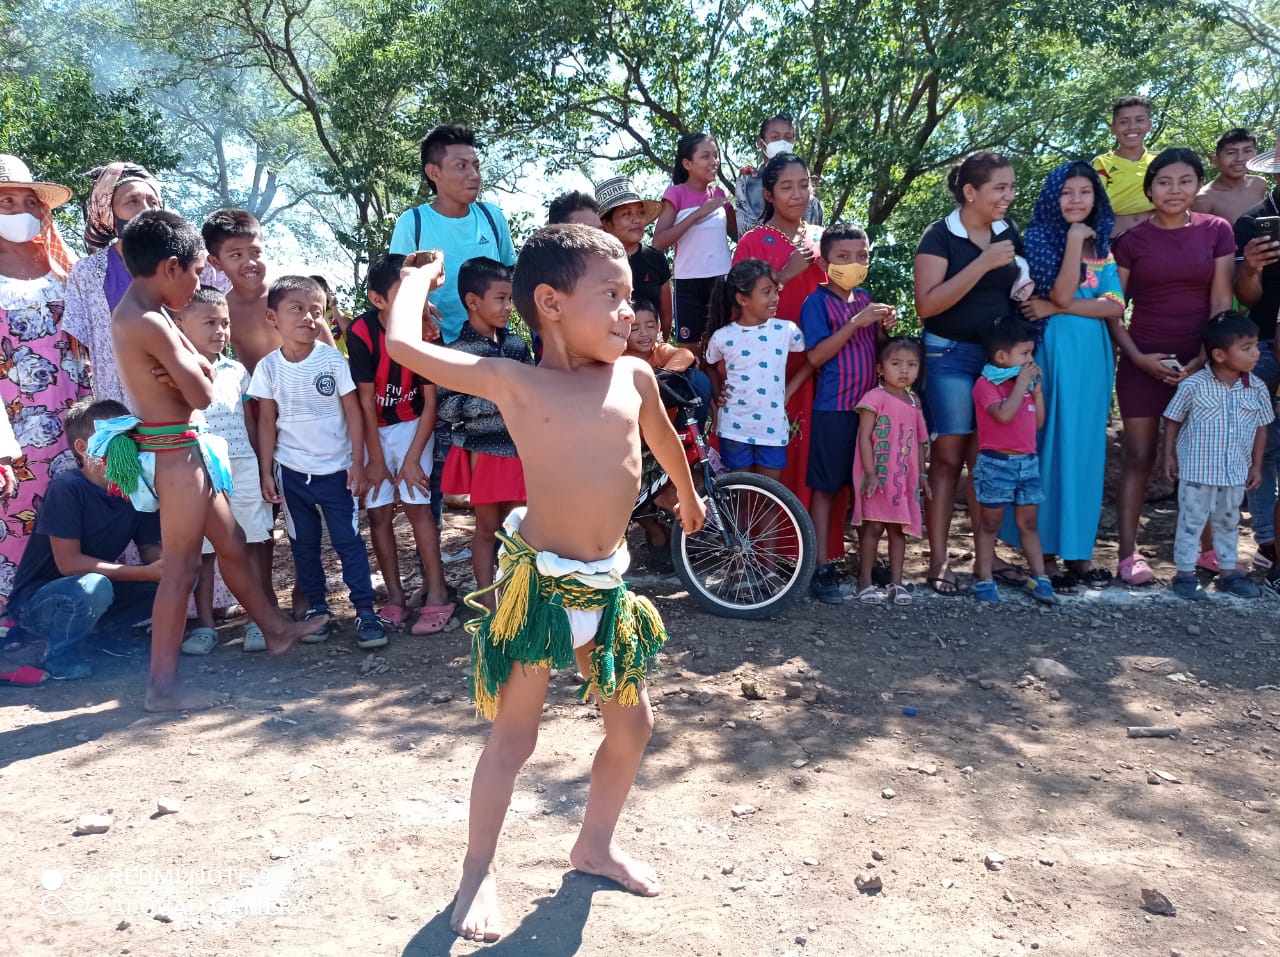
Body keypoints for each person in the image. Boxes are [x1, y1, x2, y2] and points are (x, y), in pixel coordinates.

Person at [383, 226, 706, 943]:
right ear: (552, 303)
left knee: (633, 724)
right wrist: (415, 279)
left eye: (632, 296)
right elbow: (406, 350)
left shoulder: (635, 375)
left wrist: (687, 497)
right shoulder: (515, 380)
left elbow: (661, 438)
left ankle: (593, 843)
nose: (630, 311)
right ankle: (476, 870)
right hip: (542, 590)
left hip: (605, 588)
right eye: (613, 296)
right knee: (515, 737)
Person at [106, 210, 327, 711]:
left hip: (187, 446)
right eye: (195, 271)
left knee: (230, 542)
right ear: (170, 267)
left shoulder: (147, 310)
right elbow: (204, 393)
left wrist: (191, 370)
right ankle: (162, 688)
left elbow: (197, 377)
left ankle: (274, 630)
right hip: (176, 451)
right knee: (181, 569)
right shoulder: (148, 320)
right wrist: (194, 371)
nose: (200, 281)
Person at [1110, 148, 1236, 584]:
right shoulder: (1131, 242)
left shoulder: (1217, 231)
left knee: (1201, 459)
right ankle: (1129, 555)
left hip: (1203, 361)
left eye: (1185, 181)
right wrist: (1137, 357)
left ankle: (1207, 551)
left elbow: (1221, 299)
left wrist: (1208, 357)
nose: (1174, 190)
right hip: (1142, 359)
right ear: (1149, 189)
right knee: (1139, 457)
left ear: (1197, 186)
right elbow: (1113, 309)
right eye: (1164, 182)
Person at [249, 275, 386, 650]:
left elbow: (354, 412)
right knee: (302, 544)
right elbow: (265, 420)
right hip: (291, 473)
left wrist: (359, 462)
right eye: (297, 309)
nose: (309, 318)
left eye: (316, 310)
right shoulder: (269, 368)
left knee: (349, 542)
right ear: (272, 317)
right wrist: (266, 471)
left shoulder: (332, 360)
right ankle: (317, 611)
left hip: (338, 471)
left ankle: (365, 611)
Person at [913, 151, 1027, 596]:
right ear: (970, 191)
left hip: (997, 362)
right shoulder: (939, 236)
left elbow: (1011, 287)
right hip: (948, 356)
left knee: (987, 460)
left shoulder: (1006, 231)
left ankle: (986, 557)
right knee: (947, 458)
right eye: (1001, 187)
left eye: (1012, 187)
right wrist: (982, 263)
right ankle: (939, 562)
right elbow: (927, 305)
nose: (1009, 196)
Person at [1013, 161, 1124, 590]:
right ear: (1052, 197)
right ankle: (1042, 554)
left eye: (1085, 192)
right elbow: (1059, 291)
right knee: (1049, 446)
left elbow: (1114, 305)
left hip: (1092, 359)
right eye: (1067, 192)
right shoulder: (1039, 238)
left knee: (1084, 450)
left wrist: (1059, 305)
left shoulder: (1105, 248)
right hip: (1052, 351)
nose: (1076, 200)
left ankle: (1079, 550)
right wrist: (1075, 241)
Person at [732, 153, 848, 561]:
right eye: (787, 186)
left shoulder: (824, 238)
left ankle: (817, 557)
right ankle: (761, 557)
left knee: (816, 457)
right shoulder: (752, 241)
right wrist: (785, 274)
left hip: (824, 363)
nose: (798, 194)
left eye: (804, 185)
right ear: (768, 193)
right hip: (771, 369)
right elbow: (737, 304)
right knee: (770, 462)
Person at [6, 398, 161, 679]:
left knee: (178, 576)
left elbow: (150, 548)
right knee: (94, 586)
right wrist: (145, 572)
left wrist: (165, 567)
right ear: (83, 447)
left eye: (130, 437)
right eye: (117, 438)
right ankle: (59, 656)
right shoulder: (68, 488)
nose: (128, 445)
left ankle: (102, 637)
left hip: (93, 588)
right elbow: (69, 564)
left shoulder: (135, 487)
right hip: (38, 600)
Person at [347, 254, 454, 635]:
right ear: (379, 300)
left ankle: (437, 592)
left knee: (417, 505)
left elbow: (430, 402)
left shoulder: (427, 332)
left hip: (413, 425)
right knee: (377, 512)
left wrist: (411, 459)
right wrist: (374, 459)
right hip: (375, 428)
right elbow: (364, 401)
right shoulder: (360, 332)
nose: (417, 299)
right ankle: (394, 595)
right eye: (406, 291)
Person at [0, 154, 90, 604]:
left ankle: (77, 608)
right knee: (17, 508)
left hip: (73, 410)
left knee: (76, 503)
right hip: (12, 423)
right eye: (5, 201)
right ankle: (14, 612)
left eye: (25, 201)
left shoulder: (63, 269)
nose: (18, 210)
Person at [170, 287, 273, 654]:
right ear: (179, 323)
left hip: (242, 465)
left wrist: (264, 470)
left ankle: (259, 619)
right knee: (206, 550)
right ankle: (206, 624)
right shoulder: (174, 371)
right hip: (199, 472)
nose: (220, 331)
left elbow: (249, 422)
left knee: (254, 540)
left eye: (225, 323)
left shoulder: (236, 371)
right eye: (210, 322)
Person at [799, 223, 897, 603]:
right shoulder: (816, 302)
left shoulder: (865, 298)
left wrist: (884, 330)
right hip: (833, 409)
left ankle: (867, 565)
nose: (854, 263)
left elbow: (879, 353)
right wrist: (856, 323)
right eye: (843, 257)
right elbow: (816, 355)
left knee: (866, 490)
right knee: (826, 489)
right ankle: (822, 565)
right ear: (824, 262)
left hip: (870, 411)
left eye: (862, 256)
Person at [438, 257, 533, 611]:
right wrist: (496, 400)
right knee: (486, 528)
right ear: (472, 301)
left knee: (519, 529)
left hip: (521, 450)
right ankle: (488, 601)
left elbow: (532, 391)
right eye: (501, 298)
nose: (508, 307)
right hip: (485, 452)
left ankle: (519, 600)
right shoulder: (456, 352)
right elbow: (447, 407)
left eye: (510, 299)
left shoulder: (517, 347)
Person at [1162, 312, 1270, 600]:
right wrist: (1169, 455)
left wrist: (1256, 466)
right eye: (1246, 348)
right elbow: (1173, 419)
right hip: (1196, 471)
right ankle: (1185, 574)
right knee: (1191, 521)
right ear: (1220, 355)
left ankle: (1228, 572)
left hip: (1234, 472)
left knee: (1228, 520)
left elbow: (1262, 427)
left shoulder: (1257, 389)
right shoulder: (1193, 385)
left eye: (1256, 345)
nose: (1255, 353)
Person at [388, 124, 517, 344]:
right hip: (437, 352)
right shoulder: (413, 222)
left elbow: (512, 272)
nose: (474, 175)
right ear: (433, 172)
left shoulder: (492, 216)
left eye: (476, 166)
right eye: (461, 166)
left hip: (497, 350)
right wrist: (418, 304)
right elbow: (392, 285)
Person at [969, 318, 1056, 605]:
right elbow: (1004, 415)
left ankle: (1041, 577)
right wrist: (1021, 385)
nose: (1030, 360)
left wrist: (1038, 393)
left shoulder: (1026, 386)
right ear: (1002, 357)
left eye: (1032, 353)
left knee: (1029, 523)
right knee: (990, 523)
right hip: (996, 464)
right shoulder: (985, 385)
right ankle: (984, 578)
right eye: (1024, 353)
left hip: (1027, 464)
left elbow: (1038, 424)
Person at [62, 162, 164, 406]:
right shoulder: (88, 272)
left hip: (178, 399)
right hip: (118, 403)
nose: (146, 210)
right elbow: (81, 348)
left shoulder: (186, 264)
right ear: (108, 212)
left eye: (153, 202)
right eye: (132, 202)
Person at [702, 259, 807, 481]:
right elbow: (708, 364)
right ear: (742, 299)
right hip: (733, 429)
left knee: (769, 500)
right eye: (767, 292)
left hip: (772, 429)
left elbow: (813, 357)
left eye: (776, 291)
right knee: (739, 501)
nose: (775, 298)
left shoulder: (786, 331)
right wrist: (716, 392)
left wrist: (788, 391)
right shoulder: (722, 337)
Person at [1232, 133, 1280, 581]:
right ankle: (1268, 542)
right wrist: (1250, 267)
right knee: (1260, 445)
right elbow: (1247, 297)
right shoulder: (1254, 221)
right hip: (1263, 343)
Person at [850, 338, 930, 606]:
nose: (904, 370)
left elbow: (919, 441)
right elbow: (864, 438)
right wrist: (871, 473)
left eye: (911, 364)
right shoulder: (874, 397)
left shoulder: (914, 401)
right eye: (896, 364)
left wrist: (922, 475)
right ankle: (864, 580)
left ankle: (896, 582)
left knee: (899, 530)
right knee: (873, 527)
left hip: (903, 480)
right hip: (879, 476)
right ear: (880, 368)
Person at [651, 132, 736, 346]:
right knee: (691, 352)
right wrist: (697, 215)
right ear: (687, 163)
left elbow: (741, 235)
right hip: (689, 283)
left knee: (727, 346)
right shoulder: (675, 193)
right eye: (706, 156)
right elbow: (658, 243)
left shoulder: (719, 194)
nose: (714, 162)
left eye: (716, 156)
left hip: (722, 280)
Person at [597, 176, 672, 336]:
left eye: (640, 212)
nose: (636, 219)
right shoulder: (596, 264)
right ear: (607, 224)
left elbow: (666, 316)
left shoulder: (655, 259)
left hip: (651, 349)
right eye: (626, 214)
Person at [734, 114, 824, 237]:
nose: (782, 143)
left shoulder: (806, 184)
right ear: (761, 143)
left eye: (788, 137)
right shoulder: (748, 183)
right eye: (775, 137)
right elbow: (745, 230)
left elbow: (814, 234)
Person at [1093, 96, 1157, 237]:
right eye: (1123, 122)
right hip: (1114, 241)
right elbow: (1095, 203)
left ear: (1149, 125)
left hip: (1157, 239)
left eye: (1139, 120)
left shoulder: (1161, 163)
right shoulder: (1102, 163)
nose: (1132, 127)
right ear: (1113, 128)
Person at [1194, 128, 1267, 224]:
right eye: (1231, 153)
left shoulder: (1259, 184)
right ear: (1215, 160)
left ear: (1255, 155)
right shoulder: (1204, 199)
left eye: (1247, 151)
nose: (1240, 158)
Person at [312, 274, 351, 356]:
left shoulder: (341, 313)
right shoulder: (304, 318)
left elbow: (350, 331)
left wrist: (334, 306)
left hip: (341, 361)